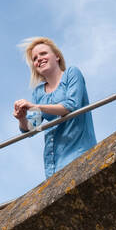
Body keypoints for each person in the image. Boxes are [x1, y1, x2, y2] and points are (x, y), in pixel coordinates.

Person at [13, 37, 97, 178]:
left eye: (43, 53)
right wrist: (22, 119)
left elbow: (71, 105)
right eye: (35, 58)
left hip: (79, 154)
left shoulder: (72, 73)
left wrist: (35, 106)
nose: (39, 59)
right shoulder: (38, 92)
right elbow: (32, 127)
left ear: (57, 56)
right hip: (53, 165)